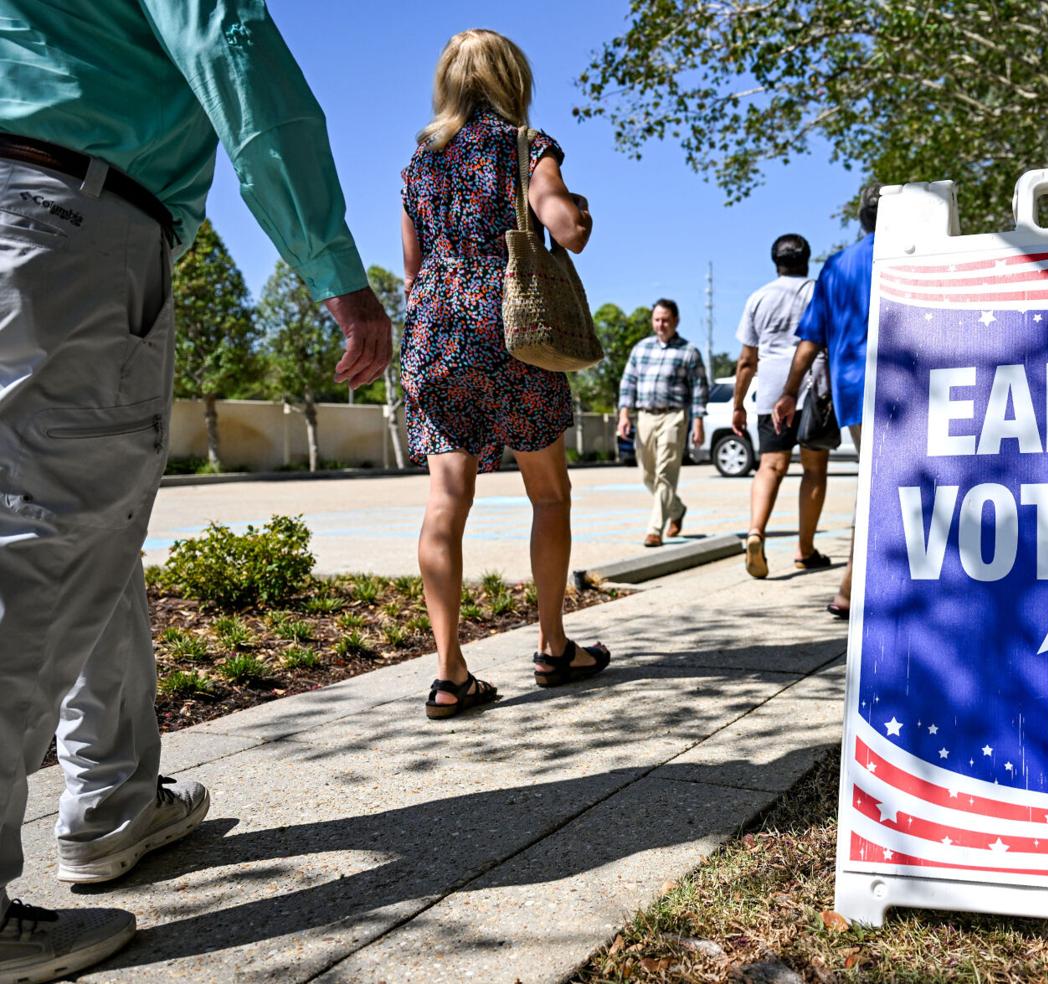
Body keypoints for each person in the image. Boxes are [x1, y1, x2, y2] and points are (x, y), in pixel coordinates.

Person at [0, 1, 393, 978]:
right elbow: (231, 48)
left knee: (86, 530)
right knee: (43, 543)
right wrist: (330, 265)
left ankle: (113, 799)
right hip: (66, 216)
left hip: (28, 204)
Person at [402, 29, 609, 718]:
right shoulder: (526, 144)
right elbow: (558, 217)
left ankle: (449, 673)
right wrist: (569, 217)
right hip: (510, 327)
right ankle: (553, 645)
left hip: (434, 330)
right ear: (511, 77)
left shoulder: (419, 160)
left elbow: (411, 269)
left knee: (445, 498)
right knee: (547, 493)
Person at [773, 186, 878, 619]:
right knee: (886, 489)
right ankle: (852, 590)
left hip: (854, 389)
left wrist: (789, 391)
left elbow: (810, 339)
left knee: (875, 484)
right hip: (911, 386)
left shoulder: (838, 265)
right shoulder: (916, 255)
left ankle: (855, 590)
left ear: (861, 217)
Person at [732, 234, 832, 578]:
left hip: (772, 389)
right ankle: (805, 550)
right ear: (807, 258)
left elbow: (747, 360)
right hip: (812, 387)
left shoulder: (758, 298)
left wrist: (738, 404)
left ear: (774, 261)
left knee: (770, 466)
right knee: (814, 469)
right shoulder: (819, 290)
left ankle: (755, 532)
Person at [616, 301, 710, 548]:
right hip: (645, 415)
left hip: (674, 416)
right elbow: (628, 383)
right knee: (647, 474)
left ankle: (654, 529)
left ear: (676, 321)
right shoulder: (641, 349)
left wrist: (698, 422)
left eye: (666, 320)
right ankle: (677, 509)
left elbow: (700, 390)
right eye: (657, 320)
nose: (661, 325)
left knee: (666, 473)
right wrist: (624, 415)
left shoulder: (689, 352)